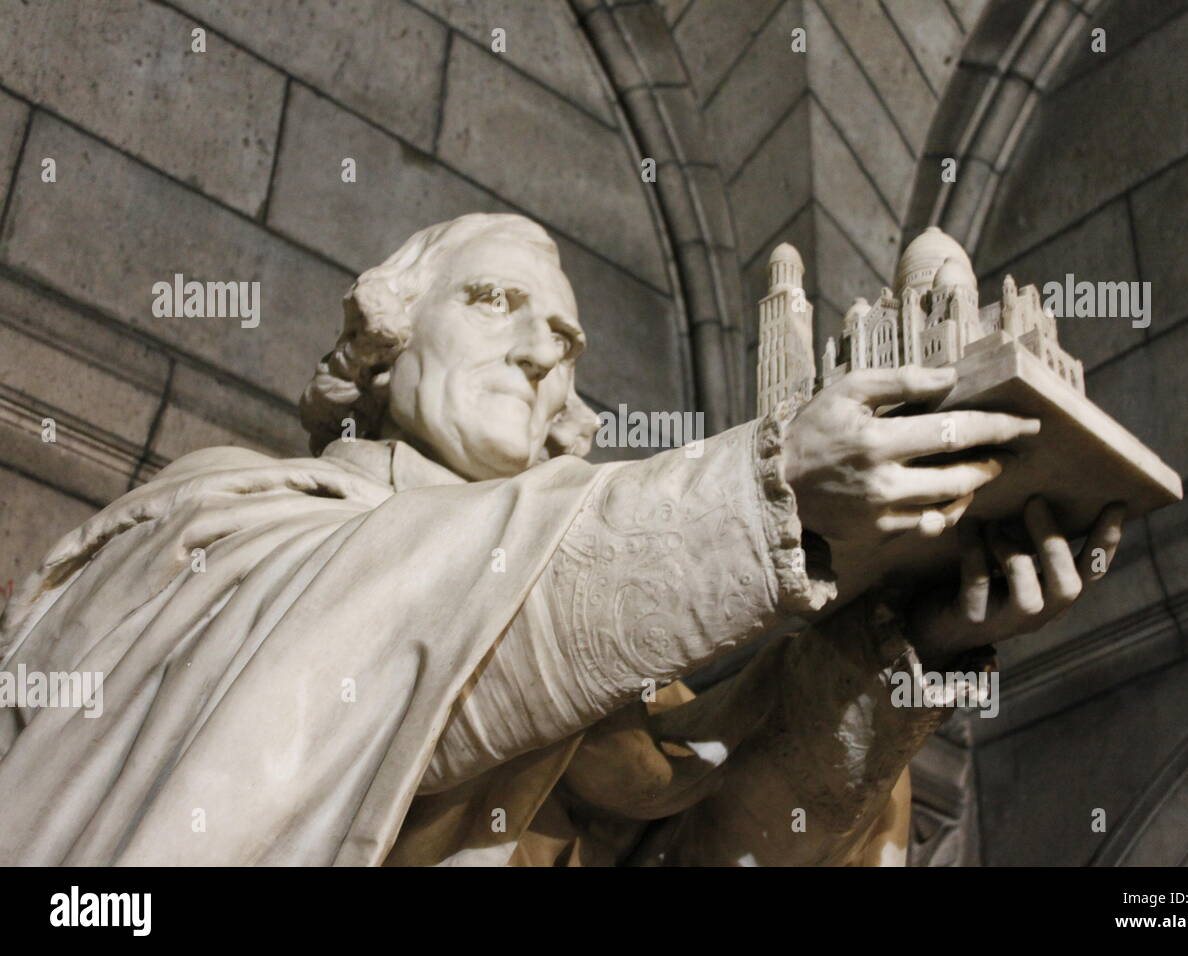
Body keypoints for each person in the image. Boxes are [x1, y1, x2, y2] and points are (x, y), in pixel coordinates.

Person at [0, 214, 1123, 865]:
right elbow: (411, 638)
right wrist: (774, 492)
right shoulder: (228, 523)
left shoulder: (609, 690)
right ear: (387, 343)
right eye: (495, 300)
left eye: (567, 336)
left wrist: (892, 651)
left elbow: (705, 851)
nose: (544, 349)